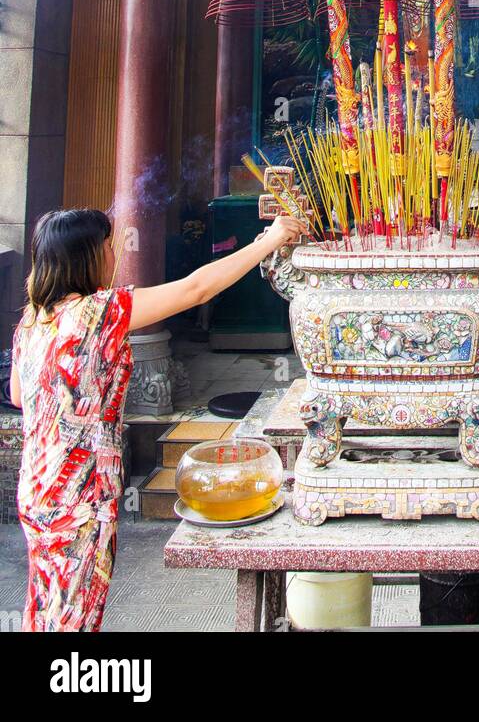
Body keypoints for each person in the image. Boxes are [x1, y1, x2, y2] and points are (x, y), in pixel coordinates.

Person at [9, 205, 307, 632]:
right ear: (88, 256)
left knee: (47, 602)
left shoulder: (33, 321)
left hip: (37, 492)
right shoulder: (99, 313)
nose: (114, 254)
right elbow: (195, 290)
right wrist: (275, 240)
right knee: (74, 615)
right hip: (80, 498)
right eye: (108, 245)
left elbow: (20, 395)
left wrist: (260, 246)